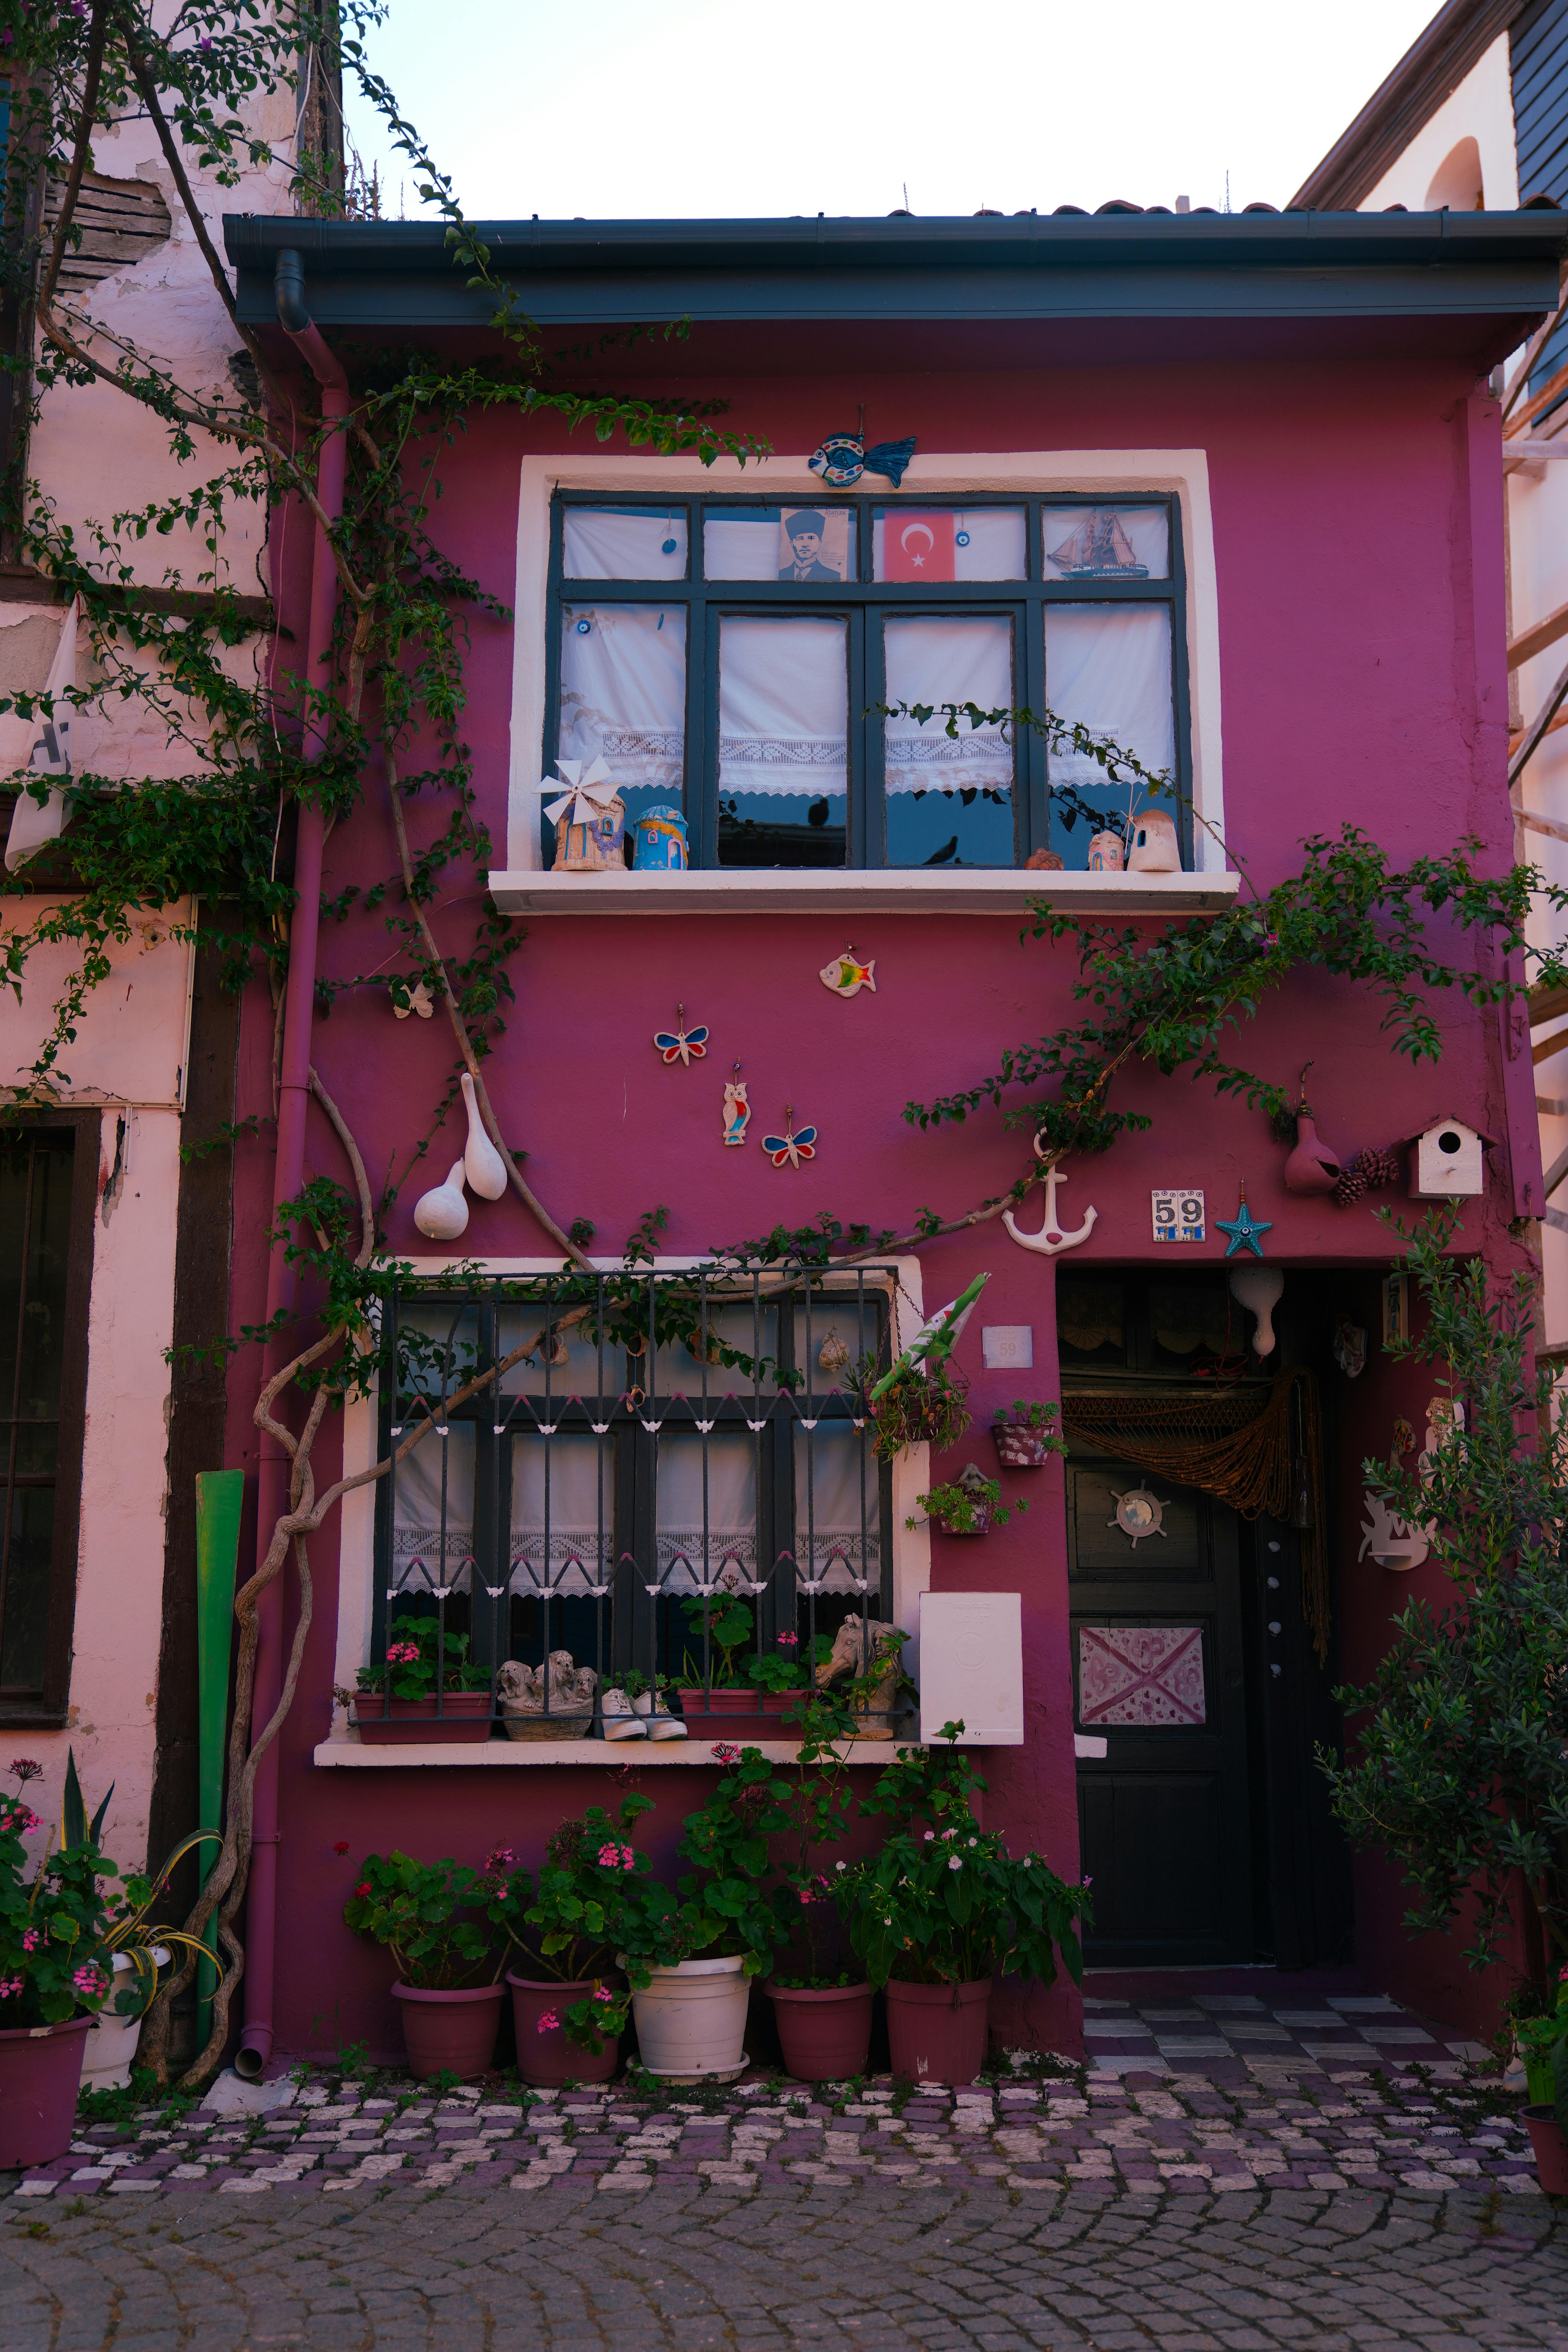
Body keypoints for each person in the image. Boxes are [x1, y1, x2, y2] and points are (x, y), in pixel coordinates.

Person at [779, 511, 840, 582]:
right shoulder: (781, 574)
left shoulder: (833, 576)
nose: (805, 545)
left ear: (820, 543)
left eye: (811, 538)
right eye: (800, 539)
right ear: (792, 544)